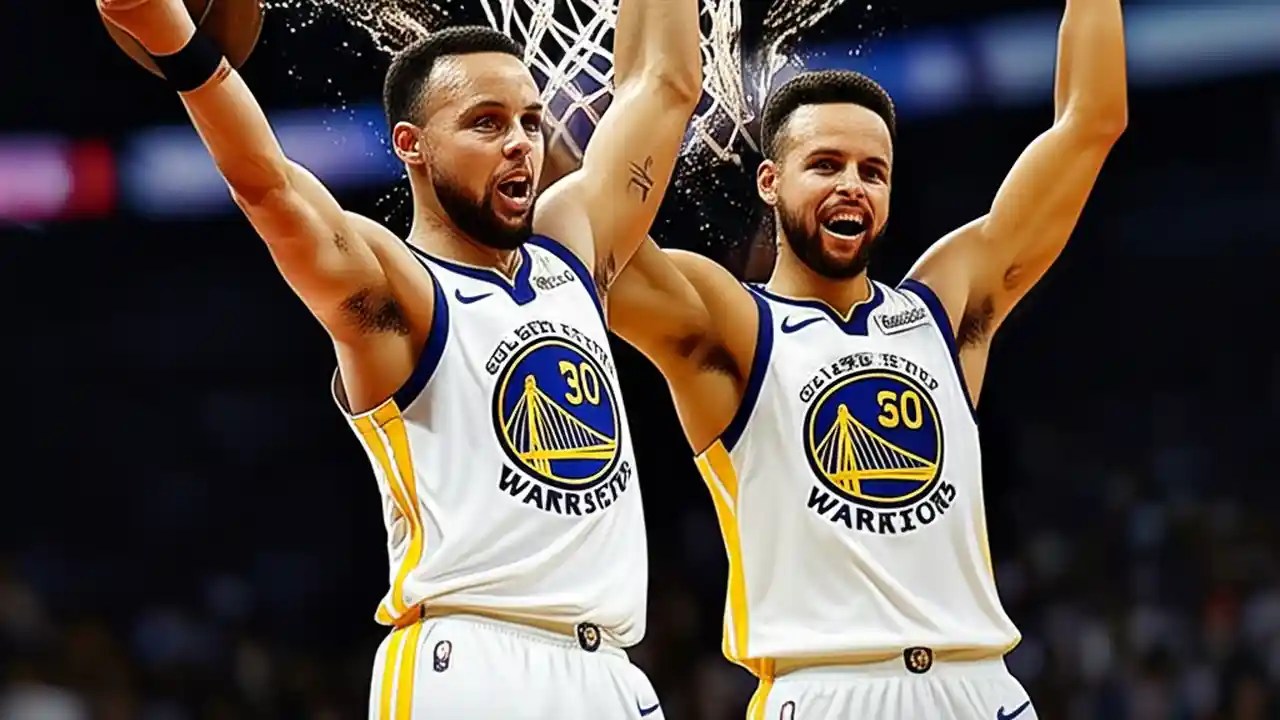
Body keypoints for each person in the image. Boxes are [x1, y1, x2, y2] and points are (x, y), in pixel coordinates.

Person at [96, 0, 702, 715]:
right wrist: (173, 35)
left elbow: (664, 84)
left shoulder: (572, 252)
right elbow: (269, 187)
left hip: (613, 673)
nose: (521, 144)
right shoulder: (396, 289)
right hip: (471, 661)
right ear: (412, 145)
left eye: (530, 123)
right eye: (486, 122)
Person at [606, 0, 1127, 716]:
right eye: (825, 164)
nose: (852, 183)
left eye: (872, 171)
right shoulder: (731, 326)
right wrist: (656, 79)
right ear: (770, 183)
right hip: (827, 689)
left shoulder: (943, 308)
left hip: (980, 687)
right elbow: (593, 244)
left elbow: (1091, 122)